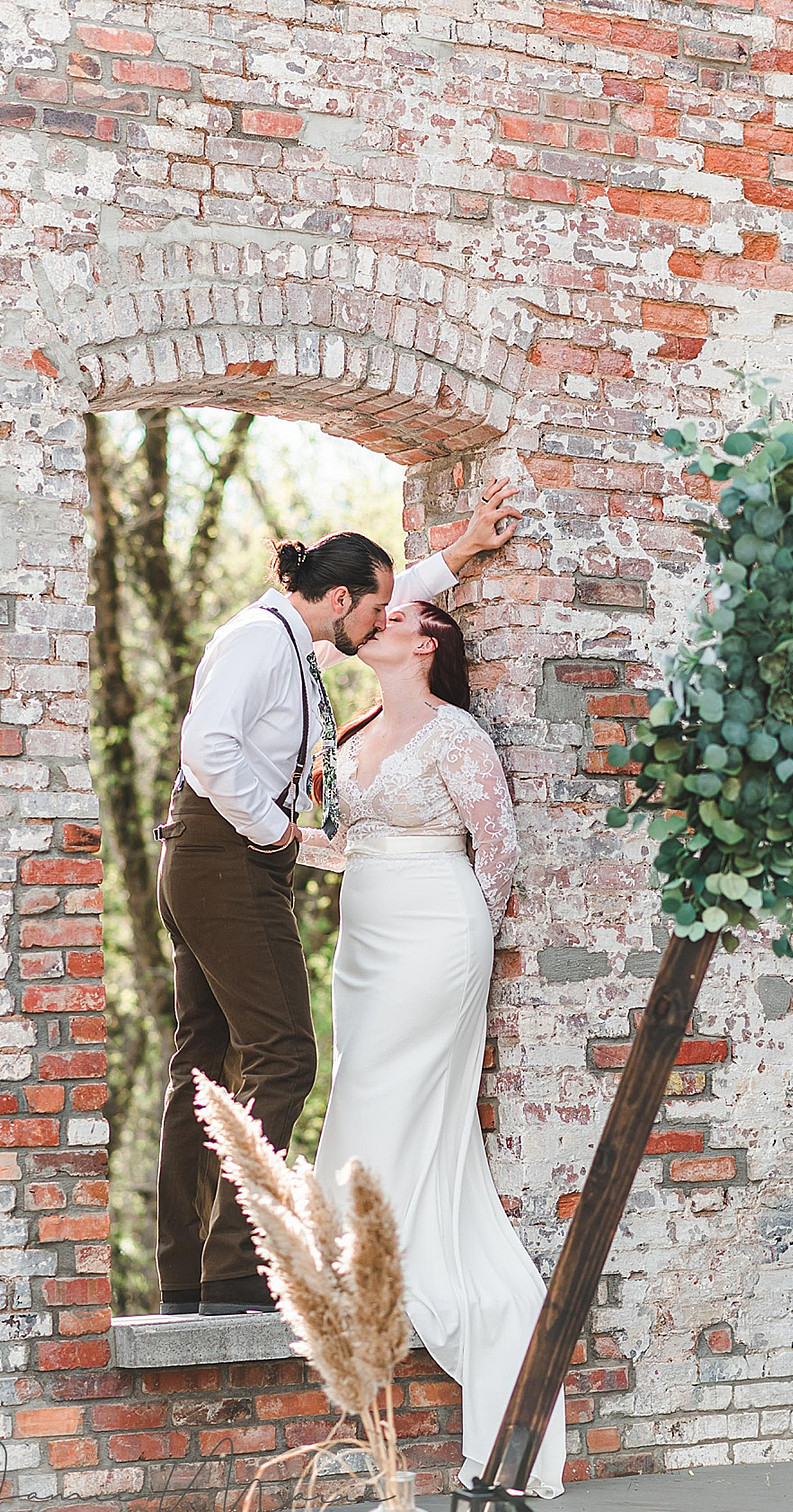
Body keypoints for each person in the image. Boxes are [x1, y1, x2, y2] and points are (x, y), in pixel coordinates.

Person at [155, 480, 521, 1317]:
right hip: (228, 854)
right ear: (342, 599)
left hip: (209, 855)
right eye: (377, 605)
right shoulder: (258, 640)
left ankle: (187, 1276)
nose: (385, 619)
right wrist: (273, 828)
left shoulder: (294, 635)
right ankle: (239, 1271)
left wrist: (456, 558)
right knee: (286, 1056)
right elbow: (206, 744)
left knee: (202, 1066)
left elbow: (398, 625)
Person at [299, 599, 566, 1498]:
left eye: (399, 612)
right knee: (357, 1082)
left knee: (389, 1088)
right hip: (364, 939)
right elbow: (342, 845)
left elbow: (498, 848)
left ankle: (375, 1257)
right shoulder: (355, 729)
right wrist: (268, 835)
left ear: (429, 644)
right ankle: (369, 1250)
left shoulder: (458, 737)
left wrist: (471, 950)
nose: (377, 617)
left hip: (437, 935)